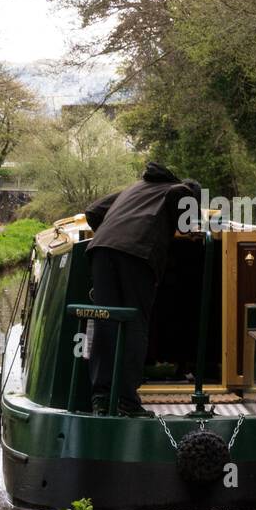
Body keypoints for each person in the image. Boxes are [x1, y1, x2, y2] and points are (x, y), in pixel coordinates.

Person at [82, 162, 201, 417]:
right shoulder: (181, 190)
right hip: (136, 255)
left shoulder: (133, 189)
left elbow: (92, 212)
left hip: (100, 251)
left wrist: (114, 236)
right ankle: (127, 401)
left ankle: (101, 399)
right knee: (134, 325)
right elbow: (187, 227)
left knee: (106, 324)